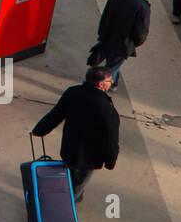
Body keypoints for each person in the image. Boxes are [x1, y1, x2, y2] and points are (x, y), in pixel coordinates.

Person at [31, 67, 120, 203]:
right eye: (110, 80)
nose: (112, 81)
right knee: (79, 183)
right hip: (90, 156)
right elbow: (111, 139)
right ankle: (66, 204)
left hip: (70, 147)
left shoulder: (73, 92)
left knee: (70, 172)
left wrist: (40, 129)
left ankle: (68, 195)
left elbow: (56, 115)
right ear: (101, 84)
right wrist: (110, 161)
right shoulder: (107, 109)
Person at [89, 0, 154, 89]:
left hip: (107, 35)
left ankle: (113, 83)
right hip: (122, 44)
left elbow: (107, 12)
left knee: (112, 63)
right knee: (111, 67)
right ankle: (101, 85)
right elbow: (141, 31)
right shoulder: (143, 7)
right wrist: (135, 43)